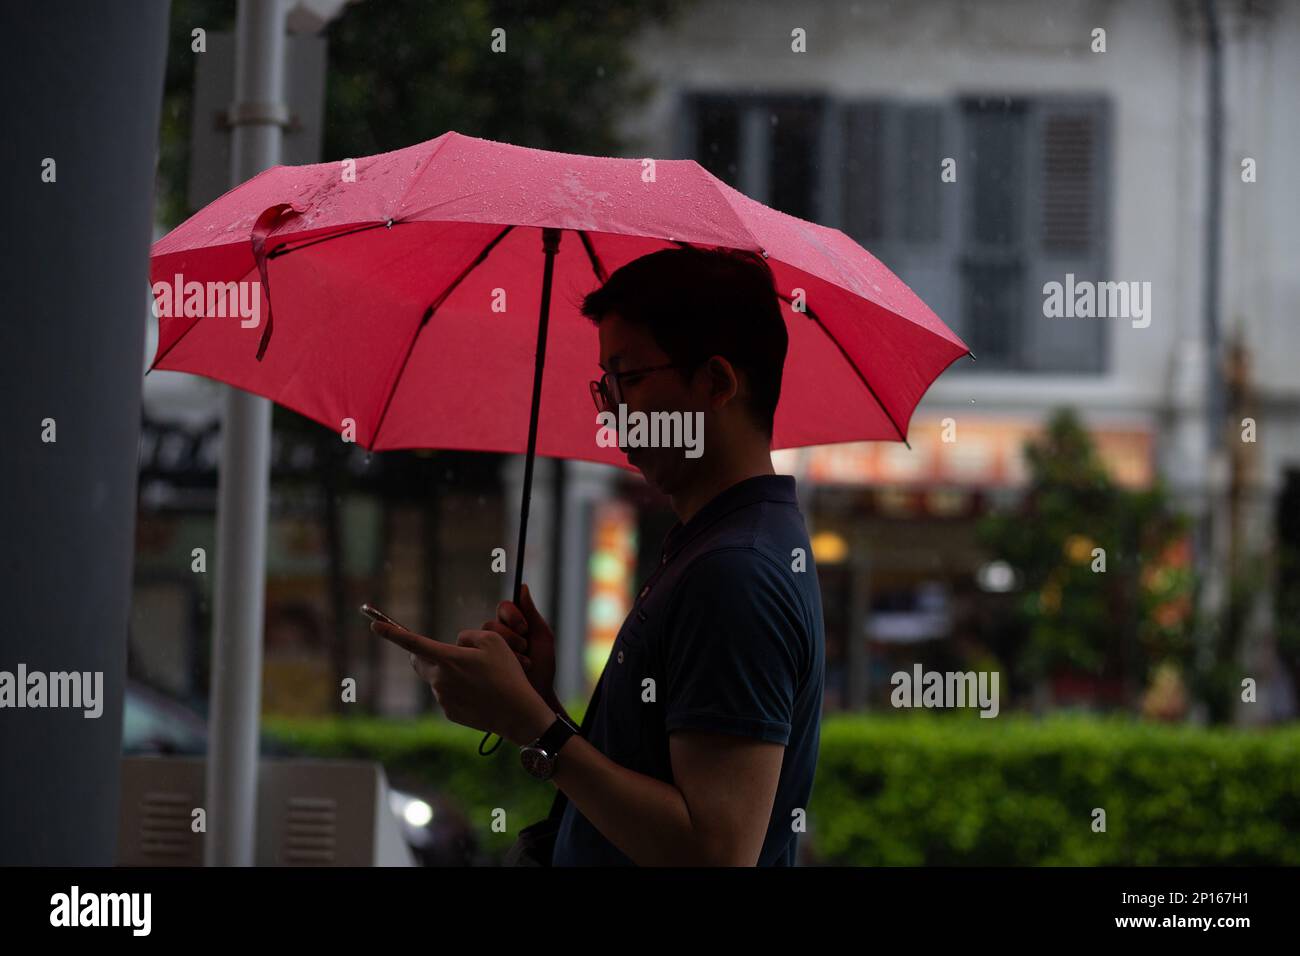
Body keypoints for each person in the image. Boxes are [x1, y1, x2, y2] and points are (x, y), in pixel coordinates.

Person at [373, 245, 826, 866]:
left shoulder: (735, 571)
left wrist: (535, 725)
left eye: (628, 378)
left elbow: (717, 851)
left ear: (717, 383)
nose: (611, 411)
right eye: (603, 384)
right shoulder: (714, 548)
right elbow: (656, 797)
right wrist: (539, 704)